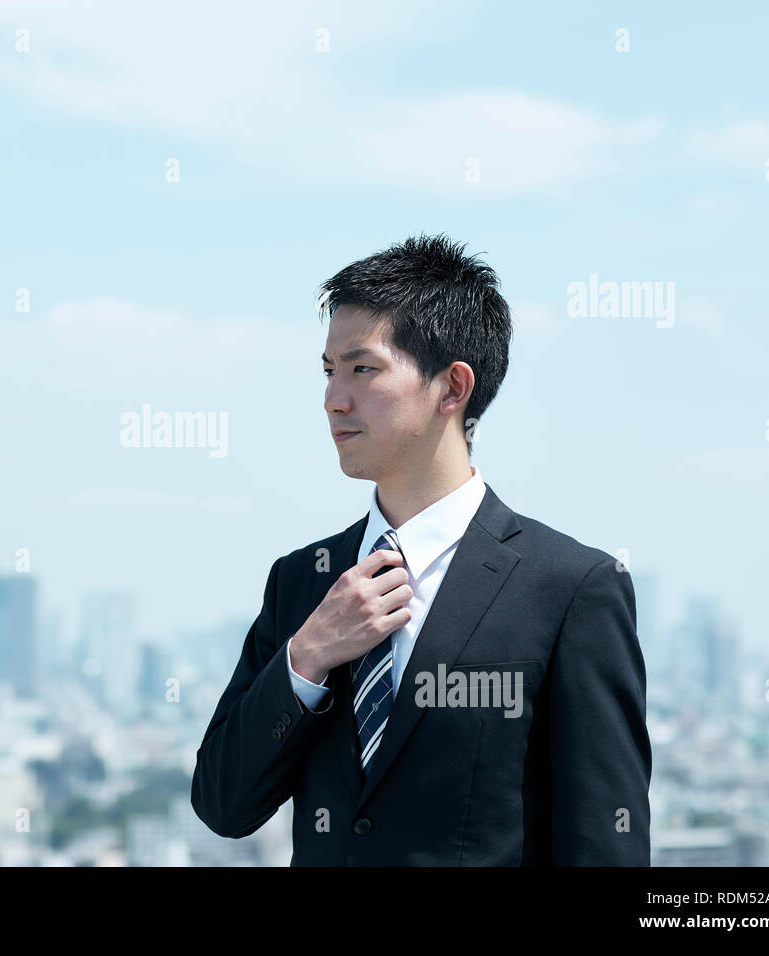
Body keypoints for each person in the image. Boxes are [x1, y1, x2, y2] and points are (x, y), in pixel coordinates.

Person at [190, 234, 651, 865]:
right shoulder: (303, 581)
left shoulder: (570, 589)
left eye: (362, 368)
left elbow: (602, 848)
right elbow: (223, 805)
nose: (333, 399)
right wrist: (309, 655)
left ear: (452, 387)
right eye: (328, 372)